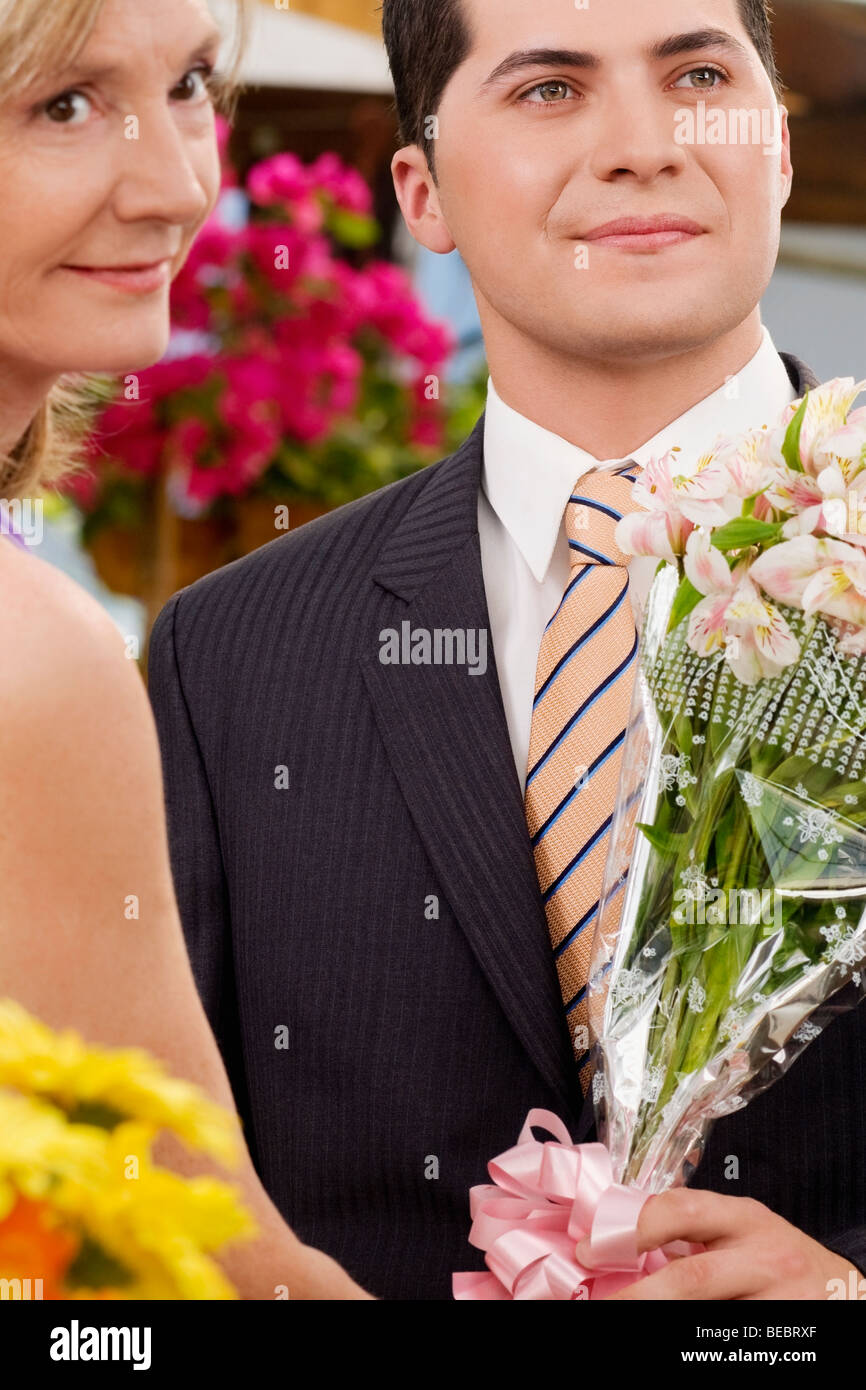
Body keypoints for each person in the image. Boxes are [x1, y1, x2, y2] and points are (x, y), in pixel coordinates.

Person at [148, 0, 866, 1299]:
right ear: (420, 190)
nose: (643, 144)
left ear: (775, 146)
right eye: (549, 89)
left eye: (696, 74)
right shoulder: (226, 655)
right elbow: (165, 1189)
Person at [0, 0, 369, 1299]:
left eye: (194, 85)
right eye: (63, 105)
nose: (176, 184)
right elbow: (213, 1268)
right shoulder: (30, 660)